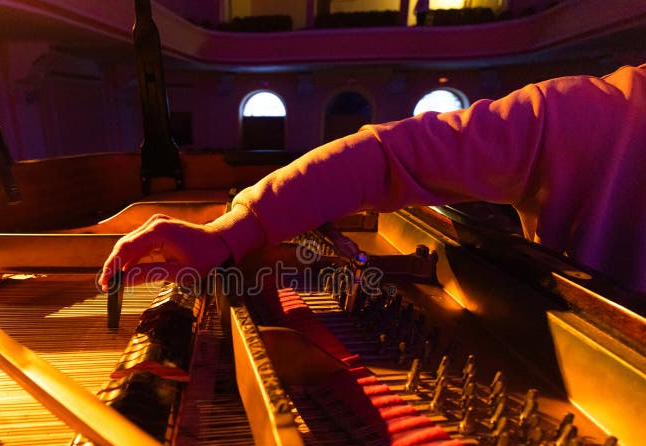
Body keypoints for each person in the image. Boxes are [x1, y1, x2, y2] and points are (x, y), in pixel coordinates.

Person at [100, 63, 646, 294]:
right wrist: (227, 234)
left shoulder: (598, 112)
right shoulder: (599, 114)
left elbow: (382, 155)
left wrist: (230, 233)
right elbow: (382, 155)